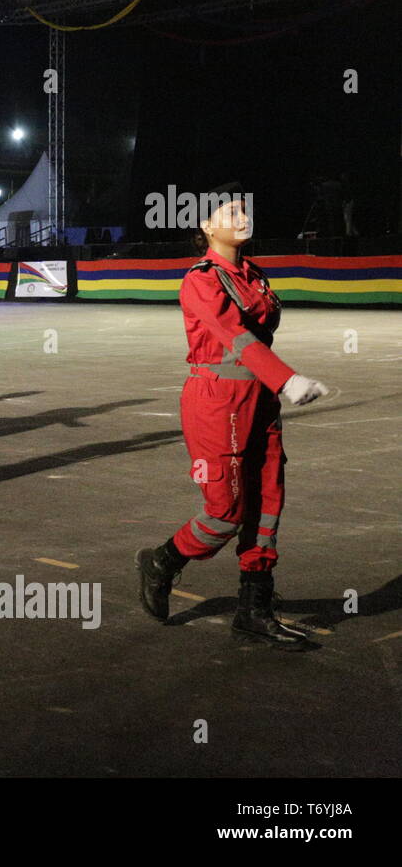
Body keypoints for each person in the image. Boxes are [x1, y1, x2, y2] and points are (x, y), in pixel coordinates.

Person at [137, 184, 328, 649]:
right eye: (230, 211)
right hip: (218, 401)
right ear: (206, 226)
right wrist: (287, 379)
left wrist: (275, 385)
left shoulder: (255, 275)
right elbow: (237, 338)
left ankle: (254, 609)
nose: (243, 217)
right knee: (225, 512)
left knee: (267, 502)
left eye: (246, 209)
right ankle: (163, 560)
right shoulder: (201, 279)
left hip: (260, 399)